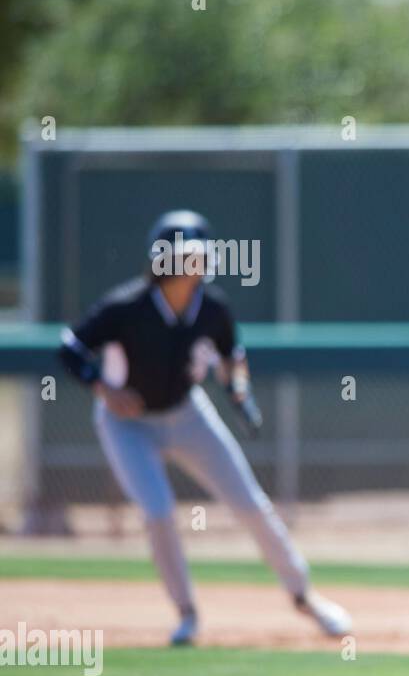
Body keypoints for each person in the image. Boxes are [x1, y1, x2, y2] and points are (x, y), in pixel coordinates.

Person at [57, 210, 351, 645]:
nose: (193, 264)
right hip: (127, 423)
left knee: (250, 502)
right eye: (183, 255)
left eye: (198, 255)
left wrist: (239, 392)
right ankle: (187, 614)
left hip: (186, 413)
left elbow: (233, 354)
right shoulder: (128, 306)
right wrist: (102, 389)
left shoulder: (211, 307)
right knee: (157, 511)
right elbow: (70, 347)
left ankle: (304, 595)